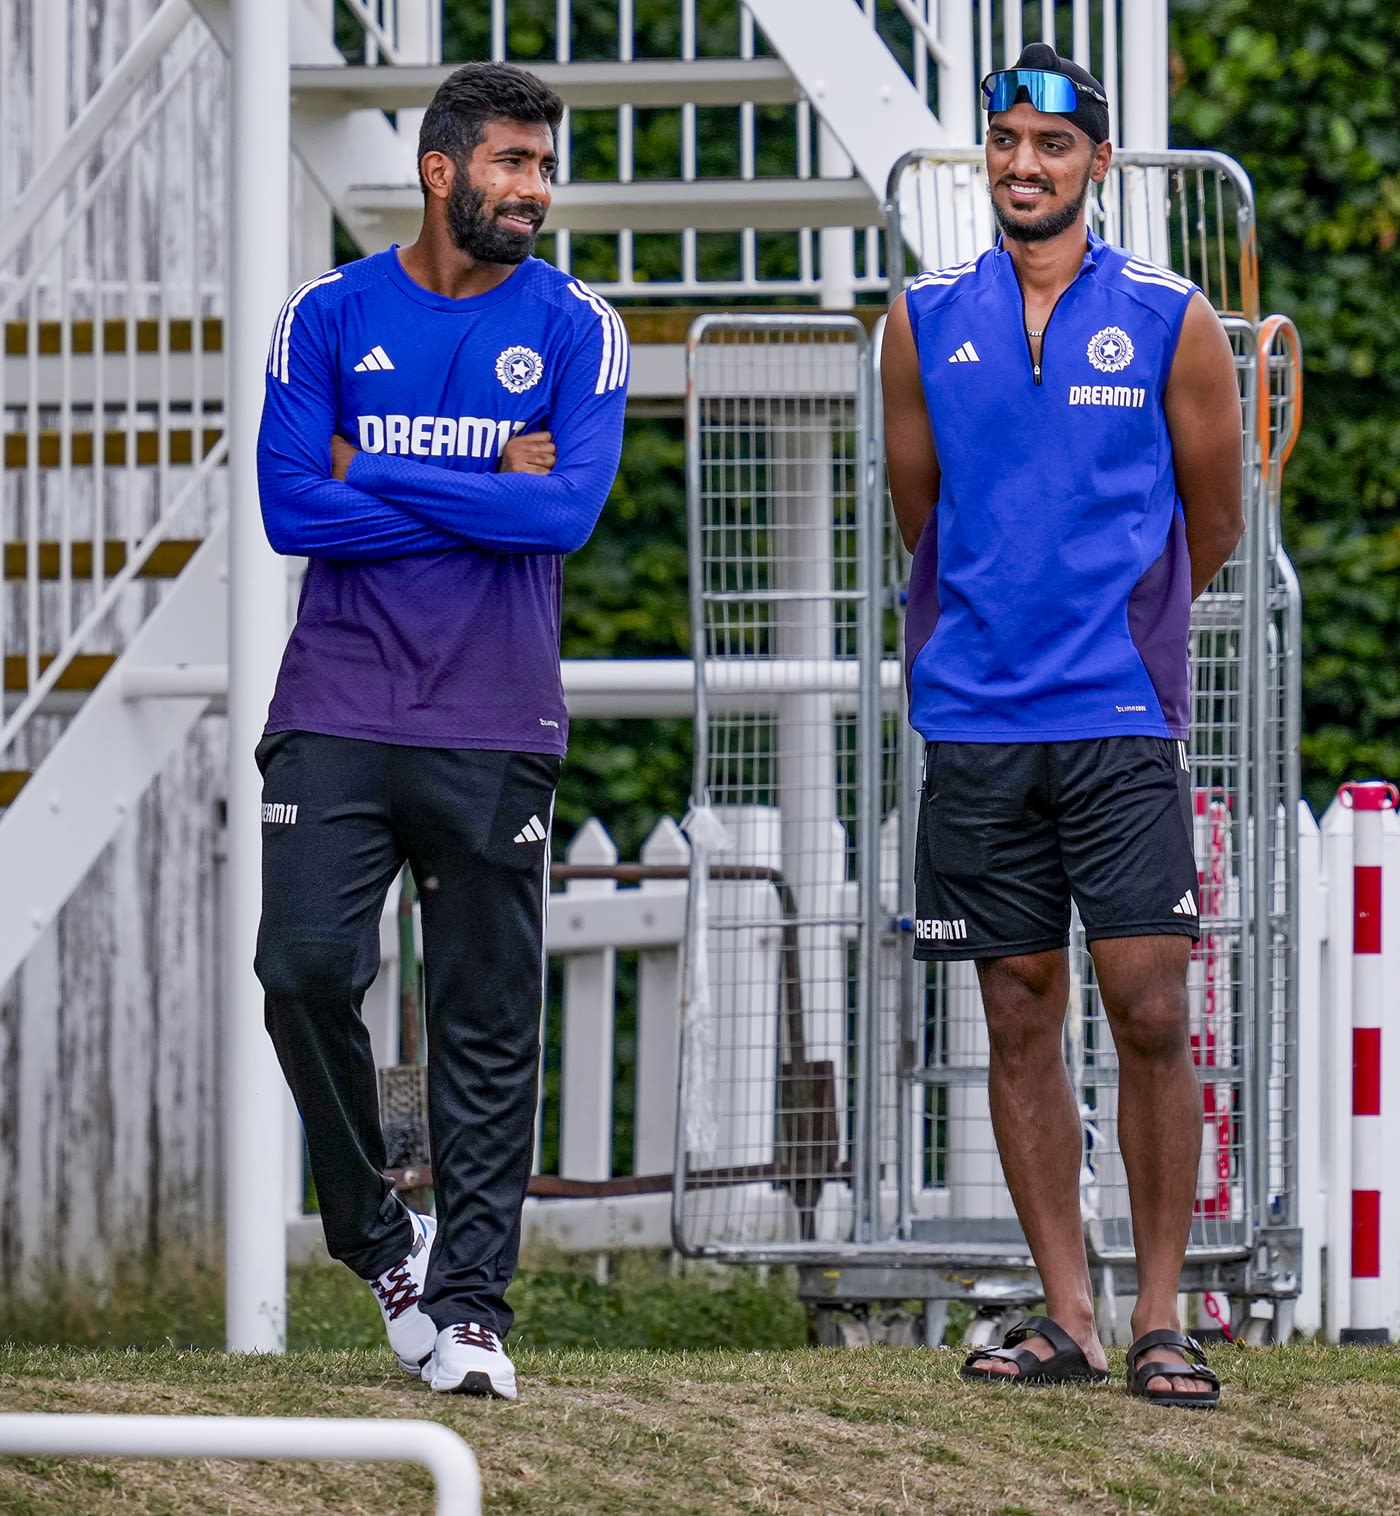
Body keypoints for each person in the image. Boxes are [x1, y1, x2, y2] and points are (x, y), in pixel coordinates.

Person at [254, 61, 629, 1401]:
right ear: (440, 170)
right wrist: (480, 473)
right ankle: (379, 1241)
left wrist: (377, 467)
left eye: (543, 166)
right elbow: (292, 510)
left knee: (483, 1020)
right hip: (338, 699)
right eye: (512, 165)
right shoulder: (326, 316)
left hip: (494, 712)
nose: (534, 190)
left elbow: (563, 516)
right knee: (299, 968)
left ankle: (473, 1309)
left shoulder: (582, 326)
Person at [881, 42, 1243, 1410]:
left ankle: (1162, 1314)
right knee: (1016, 1010)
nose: (1024, 164)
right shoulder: (920, 320)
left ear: (1098, 162)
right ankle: (1071, 1316)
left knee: (1149, 1004)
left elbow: (1209, 521)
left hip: (1115, 720)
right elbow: (929, 517)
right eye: (1007, 139)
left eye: (1053, 142)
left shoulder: (1169, 315)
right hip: (976, 724)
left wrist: (1113, 631)